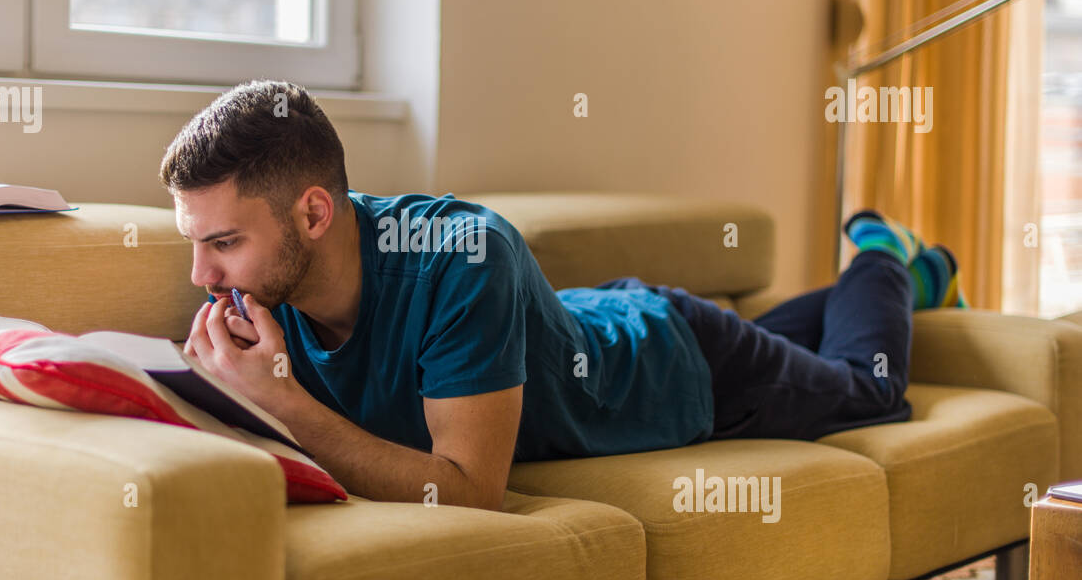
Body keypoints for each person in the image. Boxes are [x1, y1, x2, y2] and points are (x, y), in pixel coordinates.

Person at [162, 80, 968, 511]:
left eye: (223, 243)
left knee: (870, 388)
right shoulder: (259, 303)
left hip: (675, 367)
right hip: (602, 320)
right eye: (193, 242)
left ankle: (883, 258)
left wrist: (284, 401)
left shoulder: (461, 253)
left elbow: (471, 489)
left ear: (313, 212)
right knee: (798, 343)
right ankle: (896, 282)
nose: (202, 277)